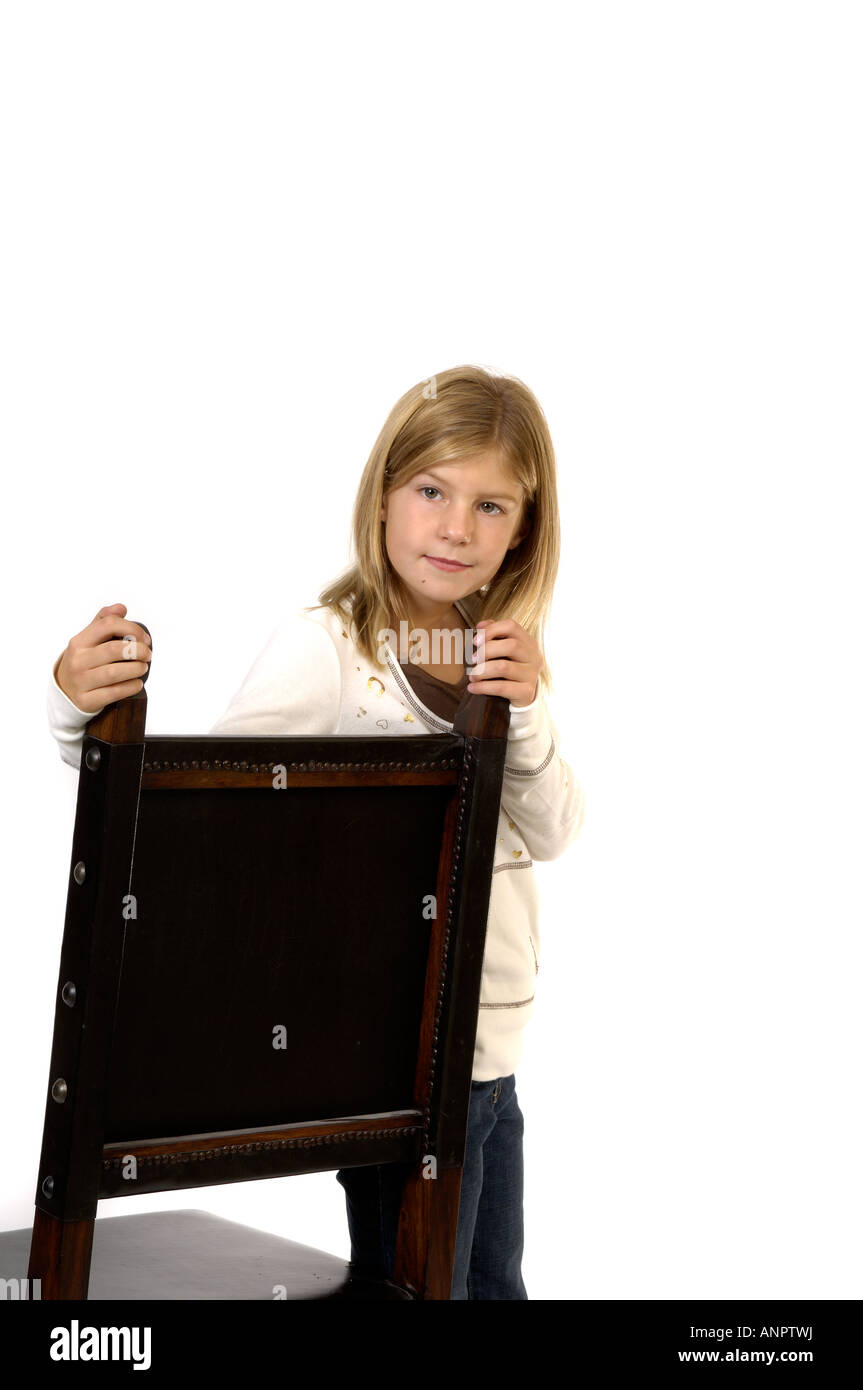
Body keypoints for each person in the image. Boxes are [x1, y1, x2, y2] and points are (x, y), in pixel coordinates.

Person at [46, 363, 586, 1299]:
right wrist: (76, 714)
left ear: (523, 531)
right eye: (432, 492)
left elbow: (555, 830)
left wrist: (527, 710)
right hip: (390, 1063)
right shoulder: (329, 648)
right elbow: (202, 823)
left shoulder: (498, 654)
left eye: (492, 506)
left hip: (493, 1055)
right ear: (384, 497)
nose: (457, 528)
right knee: (421, 1285)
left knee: (497, 1288)